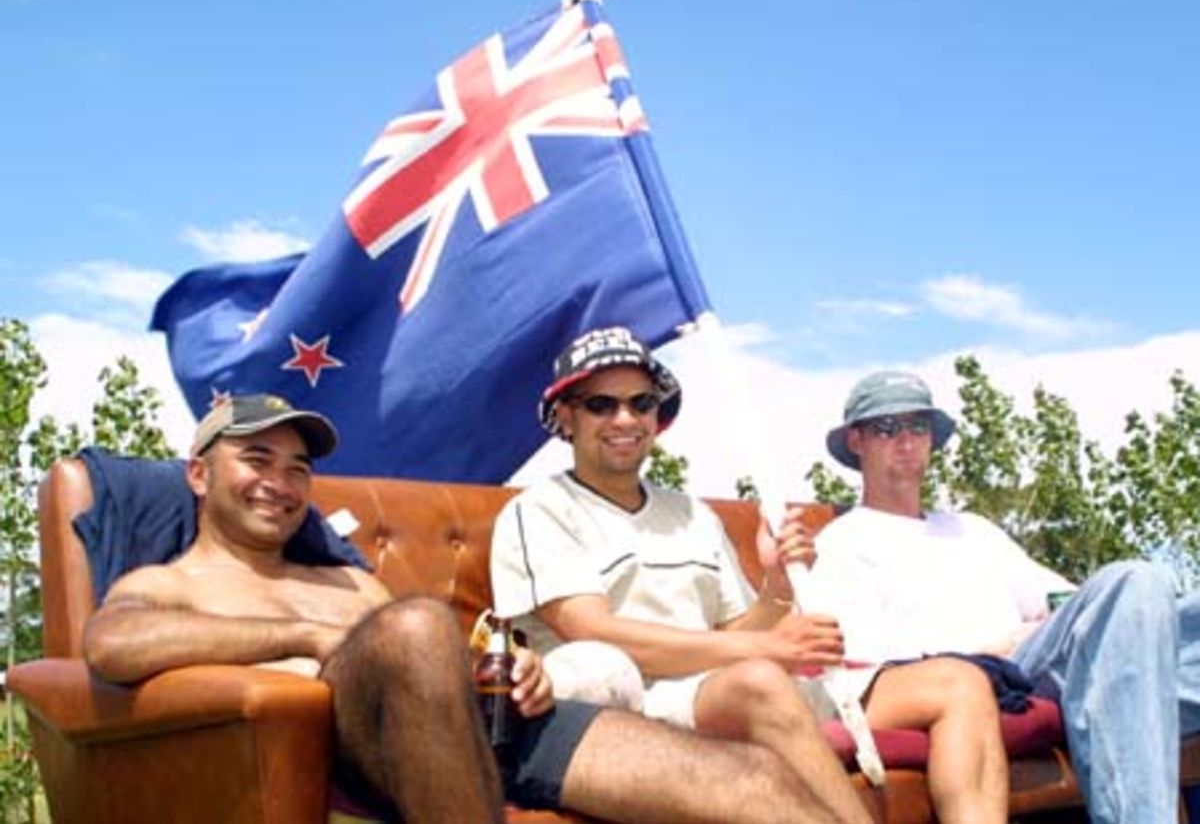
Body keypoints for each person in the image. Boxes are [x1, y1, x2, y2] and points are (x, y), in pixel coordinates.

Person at [83, 393, 869, 824]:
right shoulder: (173, 581)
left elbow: (439, 659)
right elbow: (111, 642)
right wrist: (301, 631)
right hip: (363, 749)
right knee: (418, 621)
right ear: (196, 475)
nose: (280, 483)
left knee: (759, 783)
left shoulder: (344, 578)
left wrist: (513, 663)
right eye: (256, 459)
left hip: (491, 727)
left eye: (297, 468)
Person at [491, 327, 885, 824]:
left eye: (642, 402)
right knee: (761, 682)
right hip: (606, 708)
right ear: (567, 417)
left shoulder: (691, 514)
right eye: (601, 405)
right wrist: (770, 649)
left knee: (946, 683)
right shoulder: (539, 511)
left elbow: (735, 632)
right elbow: (593, 631)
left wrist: (776, 588)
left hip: (704, 692)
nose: (625, 419)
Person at [807, 369, 1200, 824]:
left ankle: (1115, 695)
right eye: (888, 428)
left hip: (1047, 659)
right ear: (857, 441)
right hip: (986, 676)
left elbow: (1067, 602)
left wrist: (1051, 627)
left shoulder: (974, 529)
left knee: (1153, 613)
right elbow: (871, 675)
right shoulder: (842, 542)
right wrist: (992, 649)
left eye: (919, 426)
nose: (908, 440)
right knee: (1136, 579)